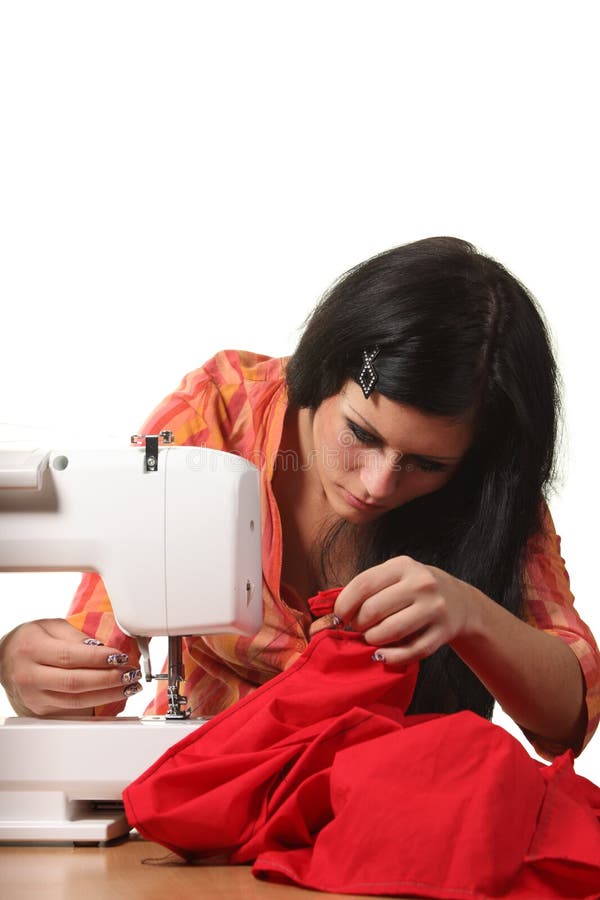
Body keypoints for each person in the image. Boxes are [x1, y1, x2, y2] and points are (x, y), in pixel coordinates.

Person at [1, 236, 598, 760]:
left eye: (426, 464)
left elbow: (570, 718)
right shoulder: (215, 420)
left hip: (387, 837)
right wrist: (31, 672)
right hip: (210, 818)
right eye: (361, 434)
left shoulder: (486, 489)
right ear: (328, 367)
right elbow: (90, 678)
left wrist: (469, 615)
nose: (377, 484)